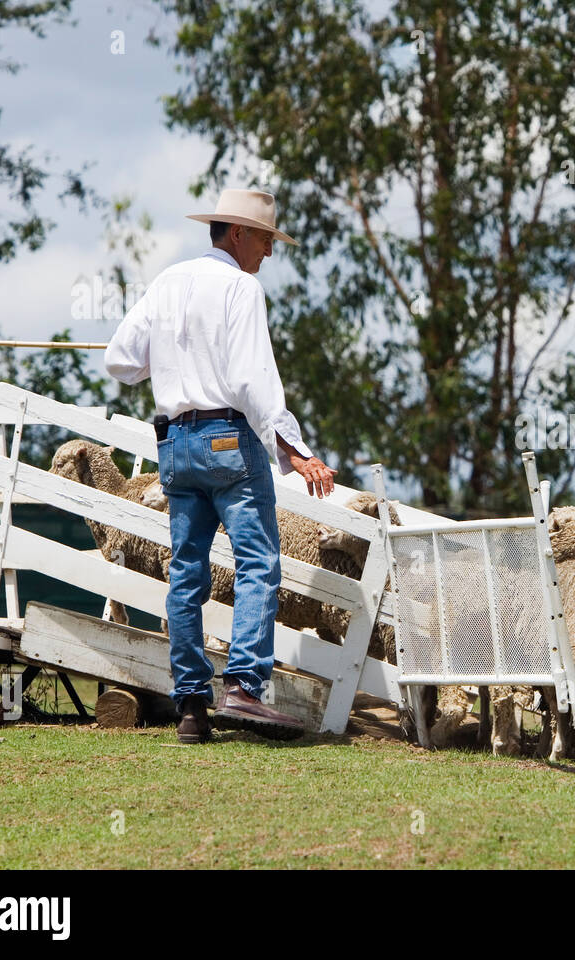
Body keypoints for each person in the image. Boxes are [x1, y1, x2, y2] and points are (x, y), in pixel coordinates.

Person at [104, 188, 336, 743]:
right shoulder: (241, 287)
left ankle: (191, 706)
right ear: (238, 234)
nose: (269, 253)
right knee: (258, 561)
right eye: (265, 240)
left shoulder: (165, 283)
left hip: (175, 445)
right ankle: (245, 689)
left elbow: (120, 360)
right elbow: (252, 379)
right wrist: (296, 450)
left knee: (186, 573)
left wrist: (174, 359)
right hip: (229, 440)